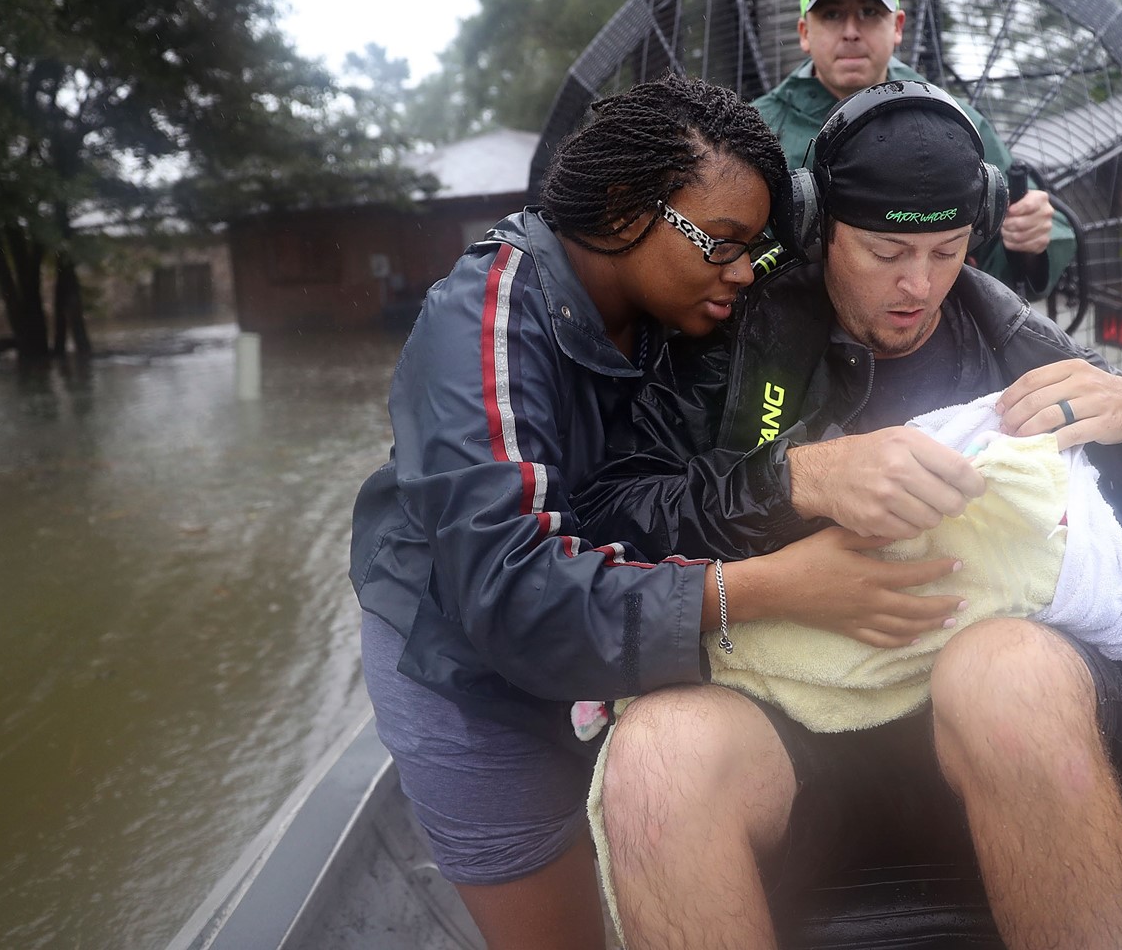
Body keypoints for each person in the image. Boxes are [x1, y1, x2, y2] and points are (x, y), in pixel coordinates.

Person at [574, 79, 1122, 948]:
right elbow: (608, 516)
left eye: (947, 251)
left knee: (1012, 675)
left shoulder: (1017, 343)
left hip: (983, 726)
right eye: (884, 253)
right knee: (656, 756)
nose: (918, 285)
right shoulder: (727, 342)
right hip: (789, 732)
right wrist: (791, 481)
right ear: (818, 226)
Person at [345, 73, 972, 950]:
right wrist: (775, 585)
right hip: (470, 671)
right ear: (619, 209)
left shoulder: (672, 306)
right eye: (722, 244)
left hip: (629, 630)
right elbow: (512, 593)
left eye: (756, 247)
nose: (744, 272)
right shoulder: (484, 322)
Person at [752, 0, 1079, 301]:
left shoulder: (954, 121)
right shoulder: (757, 129)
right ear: (804, 32)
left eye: (869, 12)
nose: (851, 31)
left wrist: (1028, 237)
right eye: (831, 14)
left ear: (897, 27)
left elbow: (1012, 252)